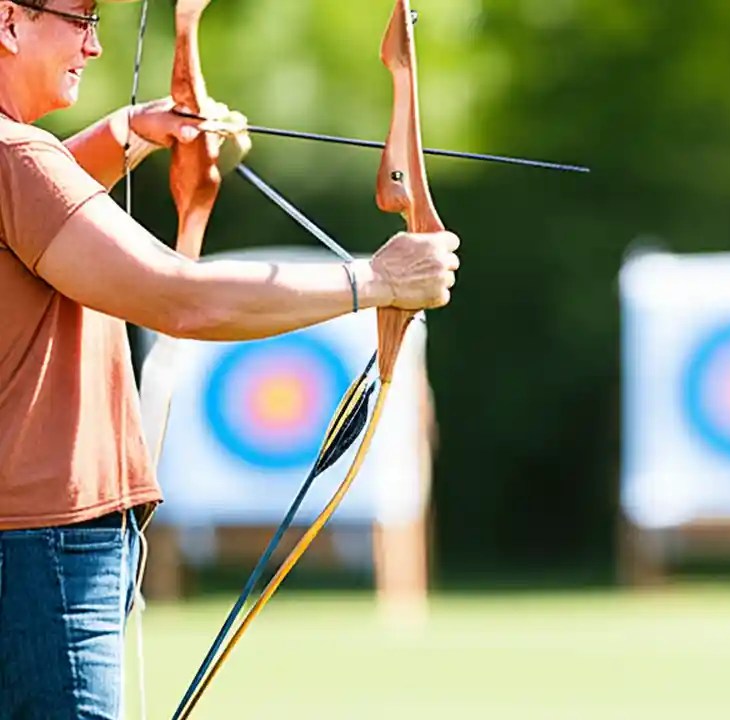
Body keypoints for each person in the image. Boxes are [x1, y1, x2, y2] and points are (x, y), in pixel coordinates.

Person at [0, 0, 461, 716]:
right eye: (80, 18)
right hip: (40, 550)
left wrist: (129, 132)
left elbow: (29, 216)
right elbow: (179, 299)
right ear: (8, 22)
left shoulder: (21, 162)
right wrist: (379, 280)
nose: (93, 47)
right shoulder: (19, 159)